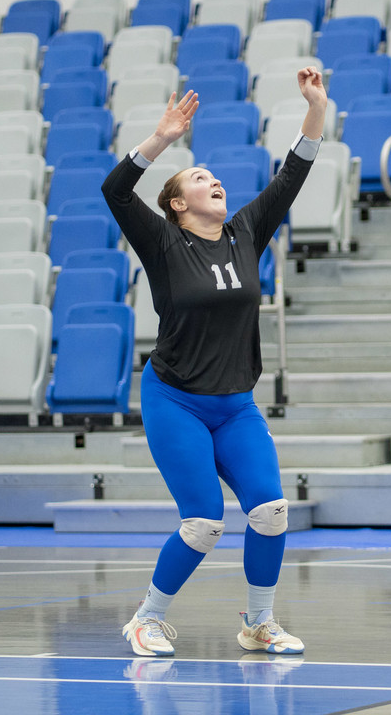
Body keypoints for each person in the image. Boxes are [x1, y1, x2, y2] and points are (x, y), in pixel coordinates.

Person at [103, 67, 328, 654]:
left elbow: (294, 173)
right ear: (178, 203)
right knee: (203, 523)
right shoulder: (162, 242)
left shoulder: (246, 232)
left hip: (234, 404)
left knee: (272, 512)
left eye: (215, 177)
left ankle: (258, 623)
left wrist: (315, 107)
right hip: (175, 398)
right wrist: (161, 139)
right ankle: (146, 620)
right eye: (200, 178)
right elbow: (115, 191)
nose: (215, 181)